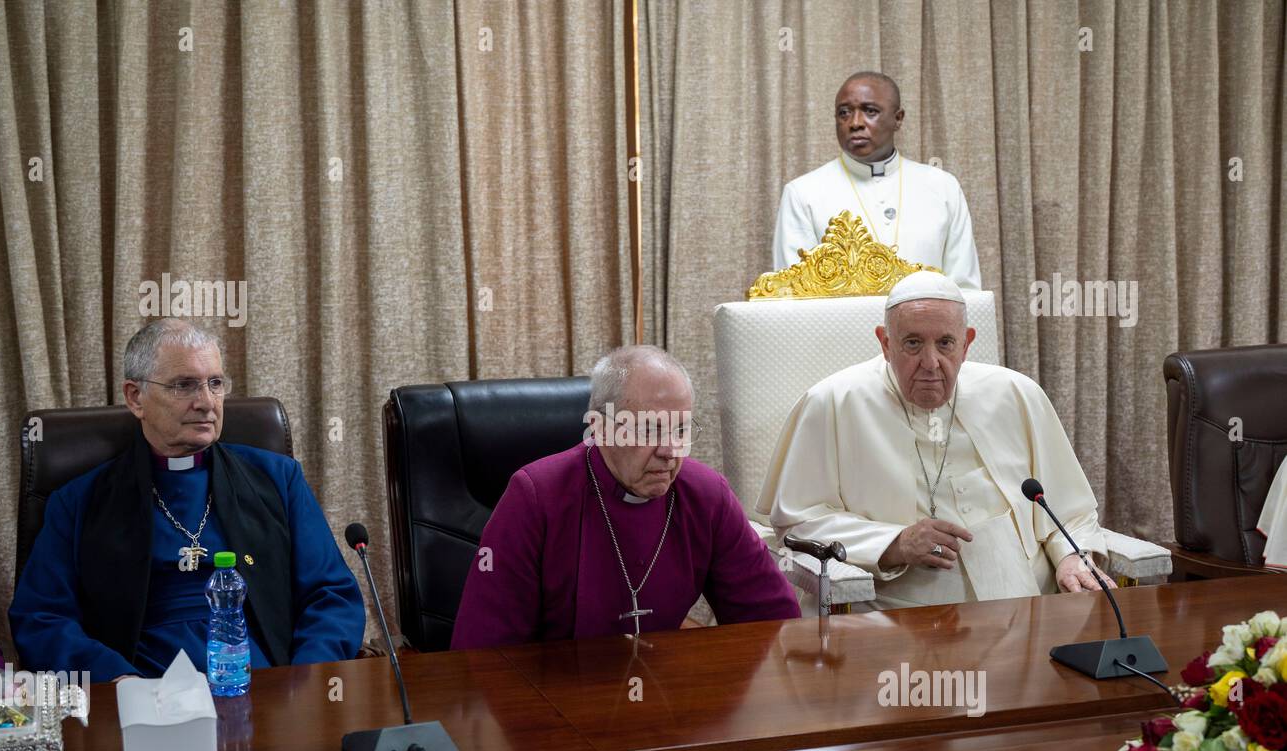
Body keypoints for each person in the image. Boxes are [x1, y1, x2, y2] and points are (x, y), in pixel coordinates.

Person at [10, 318, 364, 682]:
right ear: (135, 397)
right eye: (184, 385)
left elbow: (332, 594)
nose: (207, 402)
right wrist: (116, 680)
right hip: (142, 693)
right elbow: (41, 618)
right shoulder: (78, 501)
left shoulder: (277, 479)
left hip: (264, 686)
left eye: (215, 383)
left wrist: (304, 678)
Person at [758, 271, 1113, 609]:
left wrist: (1073, 556)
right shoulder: (832, 402)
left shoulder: (1016, 393)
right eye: (912, 343)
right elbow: (797, 524)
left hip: (1027, 602)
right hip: (897, 616)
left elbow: (1071, 511)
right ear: (885, 342)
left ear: (967, 343)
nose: (931, 363)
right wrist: (895, 543)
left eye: (945, 344)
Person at [451, 345, 800, 648]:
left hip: (667, 701)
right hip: (554, 700)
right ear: (600, 428)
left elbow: (774, 624)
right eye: (650, 429)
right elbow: (484, 653)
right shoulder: (534, 498)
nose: (670, 450)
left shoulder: (707, 495)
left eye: (680, 429)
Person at [772, 71, 981, 288]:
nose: (855, 123)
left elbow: (965, 289)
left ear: (898, 118)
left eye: (870, 111)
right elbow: (793, 294)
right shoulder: (803, 193)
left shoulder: (943, 187)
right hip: (841, 323)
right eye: (844, 113)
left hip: (930, 322)